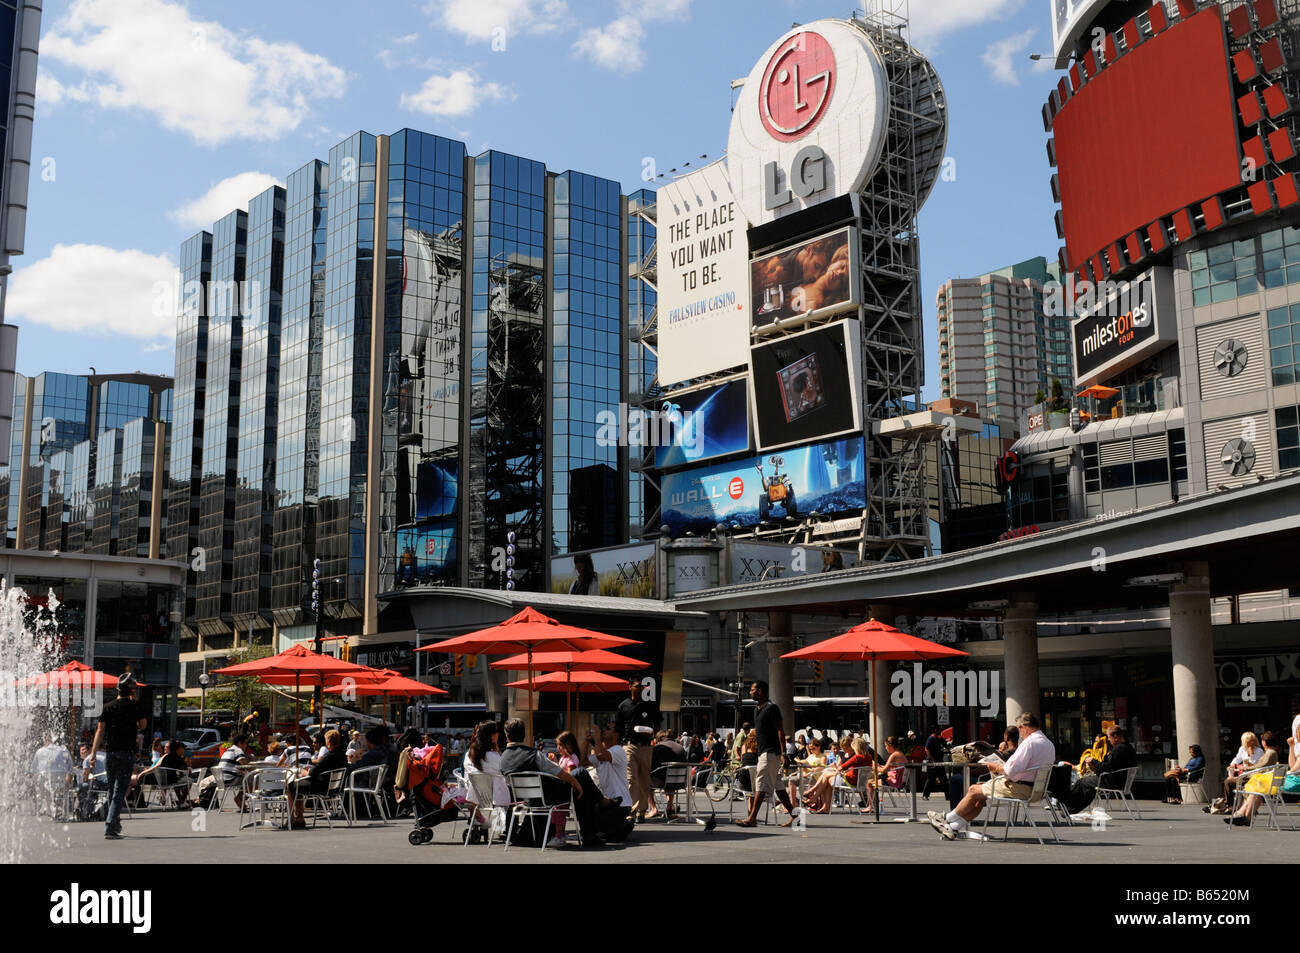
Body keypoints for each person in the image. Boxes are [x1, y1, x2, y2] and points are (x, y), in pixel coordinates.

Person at [928, 712, 1055, 840]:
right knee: (980, 794)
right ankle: (954, 827)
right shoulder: (1048, 744)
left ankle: (945, 818)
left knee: (973, 790)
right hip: (1036, 790)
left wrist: (995, 767)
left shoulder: (1029, 743)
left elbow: (1010, 770)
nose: (1019, 732)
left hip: (1019, 788)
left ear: (1025, 727)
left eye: (1019, 728)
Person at [501, 718, 601, 848]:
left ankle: (594, 822)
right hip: (547, 798)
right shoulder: (533, 755)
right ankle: (590, 830)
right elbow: (558, 771)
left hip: (525, 800)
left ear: (507, 736)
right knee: (580, 774)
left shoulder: (503, 759)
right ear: (524, 735)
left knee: (579, 777)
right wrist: (574, 782)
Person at [86, 673, 148, 840]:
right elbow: (143, 725)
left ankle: (115, 824)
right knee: (119, 791)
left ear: (118, 690)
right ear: (131, 690)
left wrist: (93, 753)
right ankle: (110, 827)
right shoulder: (135, 706)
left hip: (110, 753)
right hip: (126, 753)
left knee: (112, 789)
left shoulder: (107, 707)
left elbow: (100, 731)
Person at [736, 681, 797, 828]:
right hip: (764, 753)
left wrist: (784, 753)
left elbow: (780, 730)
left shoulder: (772, 708)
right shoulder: (757, 709)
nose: (750, 692)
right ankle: (796, 817)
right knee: (779, 787)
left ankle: (752, 818)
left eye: (752, 690)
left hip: (771, 753)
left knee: (761, 784)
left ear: (761, 691)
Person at [1064, 724, 1137, 814]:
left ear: (1115, 737)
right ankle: (1071, 809)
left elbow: (1108, 767)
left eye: (1109, 737)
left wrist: (1093, 761)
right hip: (1123, 782)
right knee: (1089, 787)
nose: (1108, 740)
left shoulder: (1118, 749)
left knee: (1082, 782)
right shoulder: (1129, 748)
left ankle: (1068, 805)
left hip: (1112, 782)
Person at [616, 677, 660, 821]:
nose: (641, 688)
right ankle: (631, 810)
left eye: (642, 686)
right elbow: (618, 727)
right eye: (637, 686)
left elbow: (658, 723)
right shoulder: (624, 705)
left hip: (646, 746)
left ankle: (642, 811)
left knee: (644, 779)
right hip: (629, 745)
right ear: (630, 687)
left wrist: (653, 733)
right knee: (631, 778)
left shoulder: (650, 705)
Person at [1225, 733, 1288, 826]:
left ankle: (1240, 814)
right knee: (1254, 794)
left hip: (1264, 781)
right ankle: (1244, 816)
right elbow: (1261, 766)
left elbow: (1261, 766)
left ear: (1265, 742)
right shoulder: (1270, 752)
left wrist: (1245, 768)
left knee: (1250, 790)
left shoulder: (1270, 752)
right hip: (1265, 781)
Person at [289, 729, 347, 828]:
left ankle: (297, 818)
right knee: (297, 786)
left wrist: (304, 771)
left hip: (321, 787)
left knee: (291, 785)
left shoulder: (329, 756)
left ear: (328, 742)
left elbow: (312, 772)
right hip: (334, 787)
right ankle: (298, 817)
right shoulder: (342, 755)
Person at [1207, 731, 1268, 814]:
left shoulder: (1259, 751)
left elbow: (1258, 766)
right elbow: (1237, 759)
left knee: (1228, 782)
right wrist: (1232, 765)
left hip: (1254, 777)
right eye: (1249, 741)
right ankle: (1228, 804)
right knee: (1228, 782)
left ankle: (1225, 804)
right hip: (1244, 775)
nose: (1251, 742)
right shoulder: (1242, 749)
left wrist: (1246, 765)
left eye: (1252, 740)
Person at [588, 721, 632, 809]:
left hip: (621, 804)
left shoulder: (618, 750)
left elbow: (601, 755)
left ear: (616, 735)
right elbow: (583, 761)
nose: (603, 730)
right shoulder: (604, 752)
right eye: (604, 727)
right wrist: (586, 741)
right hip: (608, 803)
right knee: (581, 773)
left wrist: (597, 737)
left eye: (607, 728)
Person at [649, 730, 687, 817]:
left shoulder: (658, 747)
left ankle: (653, 808)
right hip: (679, 781)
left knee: (645, 784)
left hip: (662, 781)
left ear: (658, 738)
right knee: (669, 781)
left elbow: (651, 765)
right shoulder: (680, 747)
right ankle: (669, 806)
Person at [865, 736, 908, 813]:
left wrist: (874, 766)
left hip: (893, 781)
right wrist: (879, 766)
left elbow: (884, 770)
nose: (885, 748)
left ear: (890, 745)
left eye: (886, 746)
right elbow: (888, 767)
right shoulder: (900, 754)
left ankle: (871, 806)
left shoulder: (894, 755)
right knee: (872, 781)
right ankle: (874, 805)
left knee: (869, 783)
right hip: (899, 779)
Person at [922, 725, 948, 799]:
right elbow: (927, 749)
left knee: (943, 779)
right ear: (935, 730)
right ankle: (925, 795)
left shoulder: (939, 739)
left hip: (939, 761)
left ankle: (948, 795)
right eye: (939, 730)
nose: (940, 732)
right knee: (931, 779)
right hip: (932, 762)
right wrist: (933, 760)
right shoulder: (931, 738)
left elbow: (945, 745)